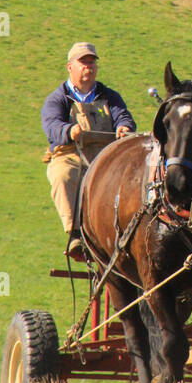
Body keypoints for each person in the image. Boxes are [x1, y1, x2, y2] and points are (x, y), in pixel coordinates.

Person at [42, 41, 136, 259]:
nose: (89, 67)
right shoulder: (58, 98)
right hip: (71, 154)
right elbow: (51, 125)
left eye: (92, 63)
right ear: (70, 67)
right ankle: (75, 233)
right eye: (83, 62)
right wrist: (68, 130)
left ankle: (128, 230)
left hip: (106, 156)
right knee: (62, 174)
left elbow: (123, 116)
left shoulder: (110, 96)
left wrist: (124, 127)